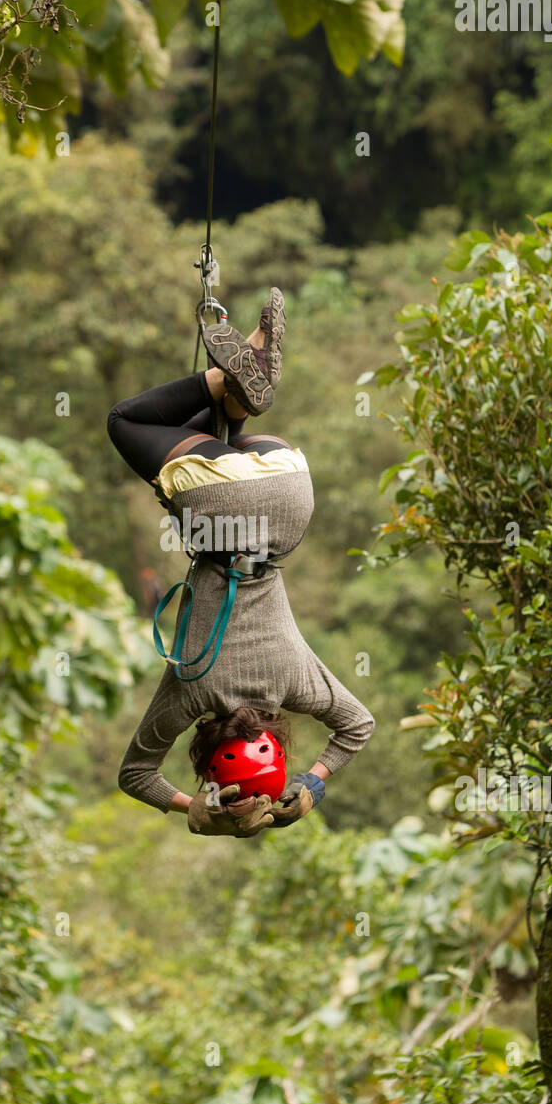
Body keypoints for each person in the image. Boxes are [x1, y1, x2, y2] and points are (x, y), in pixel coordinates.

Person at [107, 288, 375, 838]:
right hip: (219, 509)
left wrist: (311, 785)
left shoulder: (297, 682)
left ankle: (241, 381)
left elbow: (357, 727)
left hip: (286, 487)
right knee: (123, 423)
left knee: (216, 439)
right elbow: (135, 775)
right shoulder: (192, 691)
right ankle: (220, 382)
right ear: (207, 752)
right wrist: (195, 809)